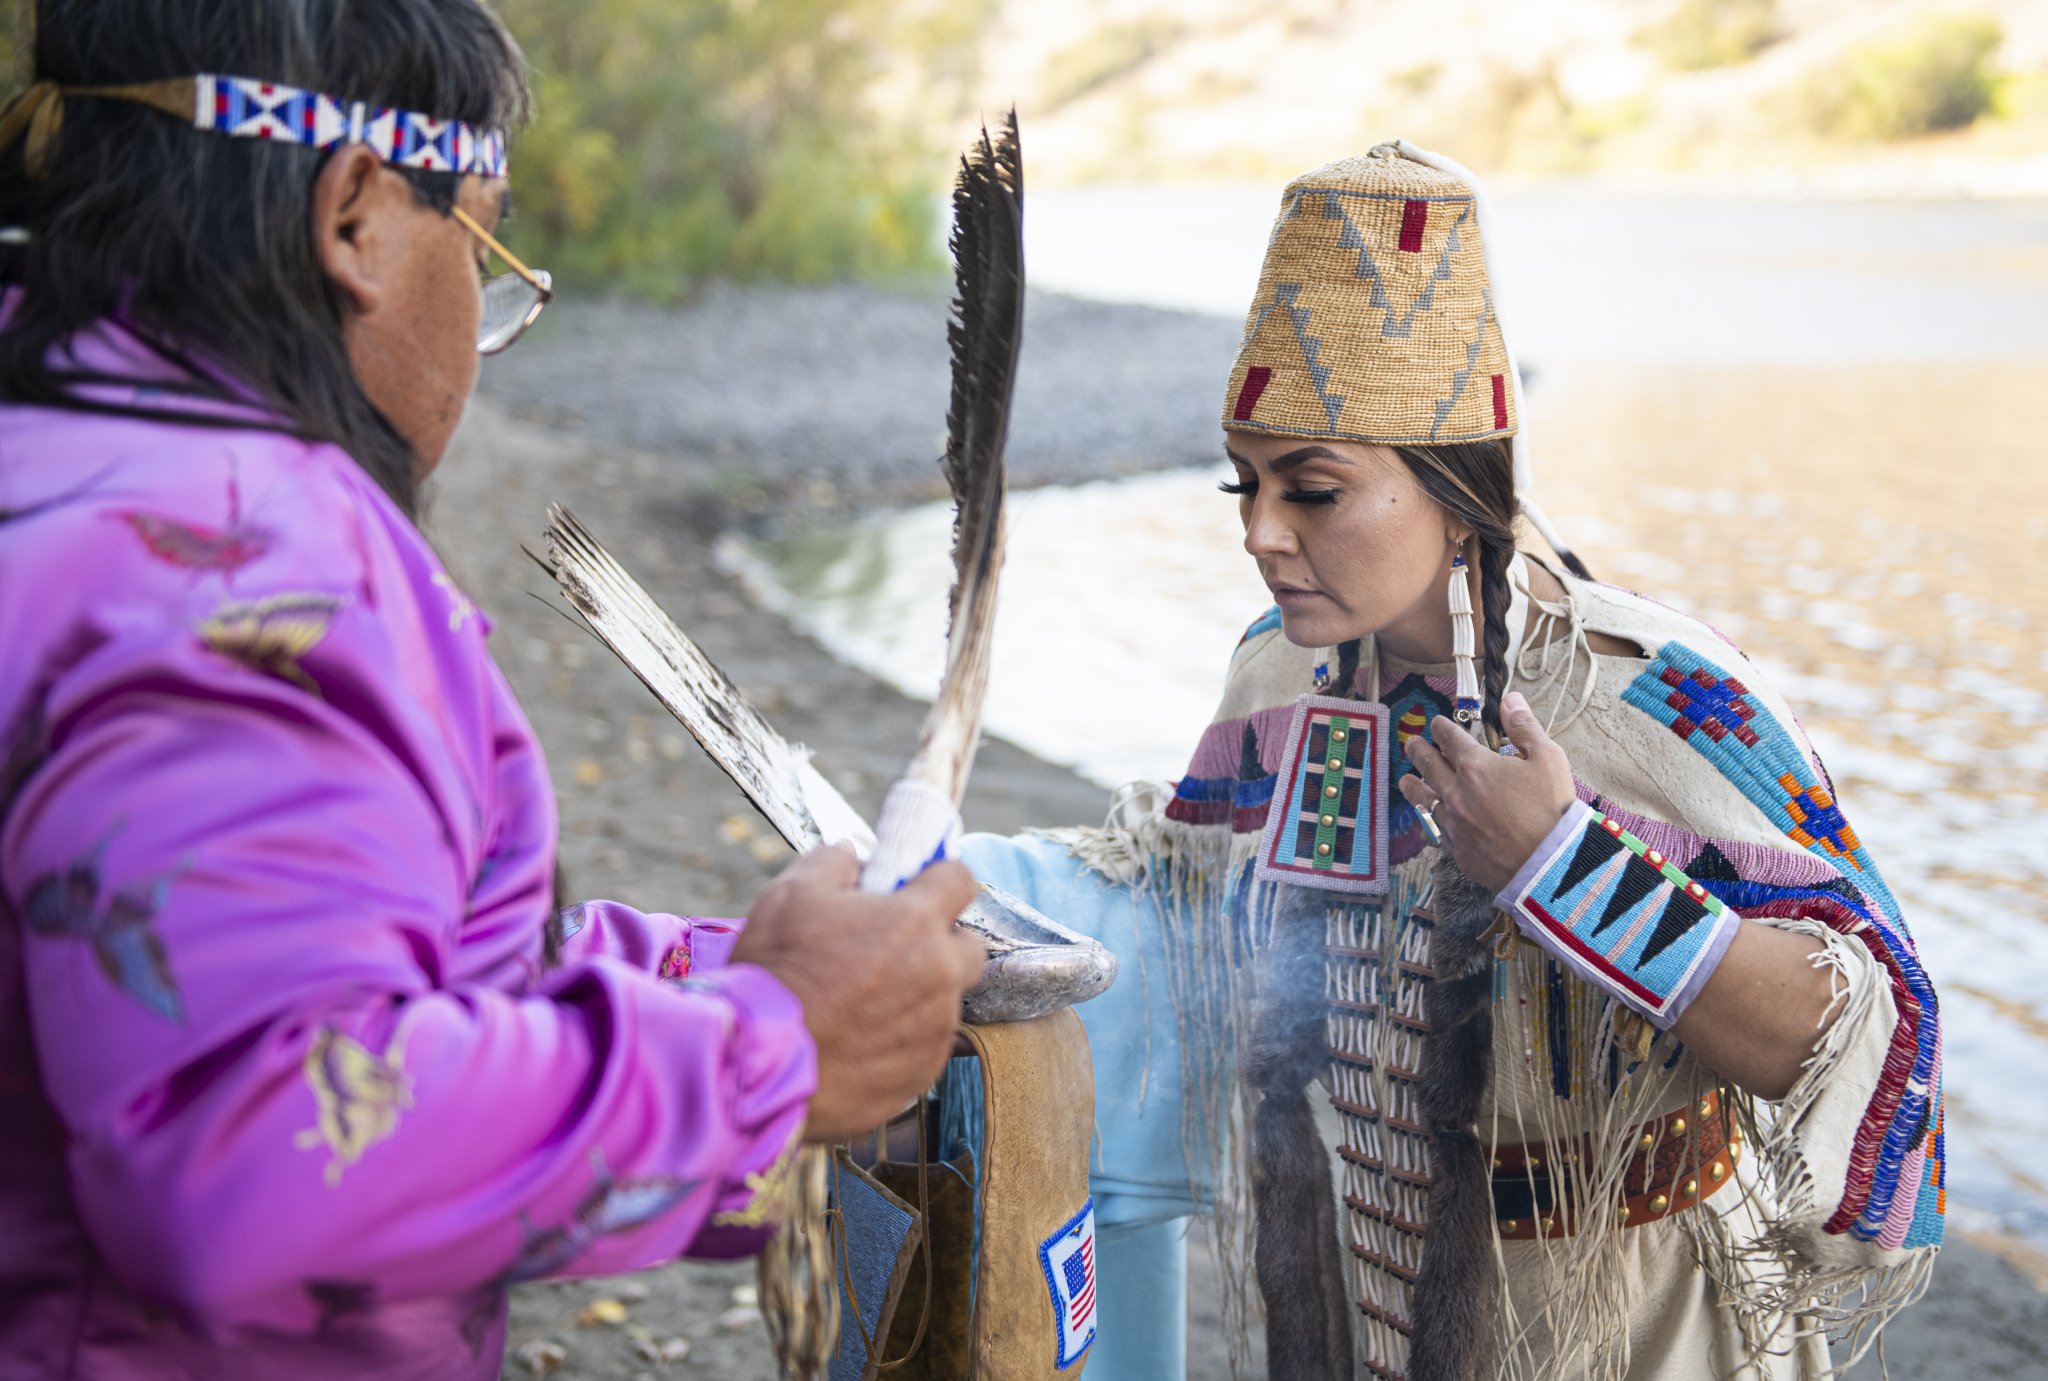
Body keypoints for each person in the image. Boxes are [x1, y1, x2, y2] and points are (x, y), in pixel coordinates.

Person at [0, 3, 984, 1377]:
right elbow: (266, 1149)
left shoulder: (62, 453)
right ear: (355, 214)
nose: (483, 315)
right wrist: (769, 1052)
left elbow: (362, 966)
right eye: (483, 244)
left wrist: (731, 977)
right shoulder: (237, 575)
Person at [963, 144, 1943, 1379]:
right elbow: (1179, 892)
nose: (1262, 533)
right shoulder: (1278, 677)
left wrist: (1562, 866)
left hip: (1633, 1311)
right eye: (1245, 485)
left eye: (1313, 490)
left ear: (1456, 491)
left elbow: (1870, 1029)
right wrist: (970, 887)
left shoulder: (1665, 697)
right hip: (1361, 1279)